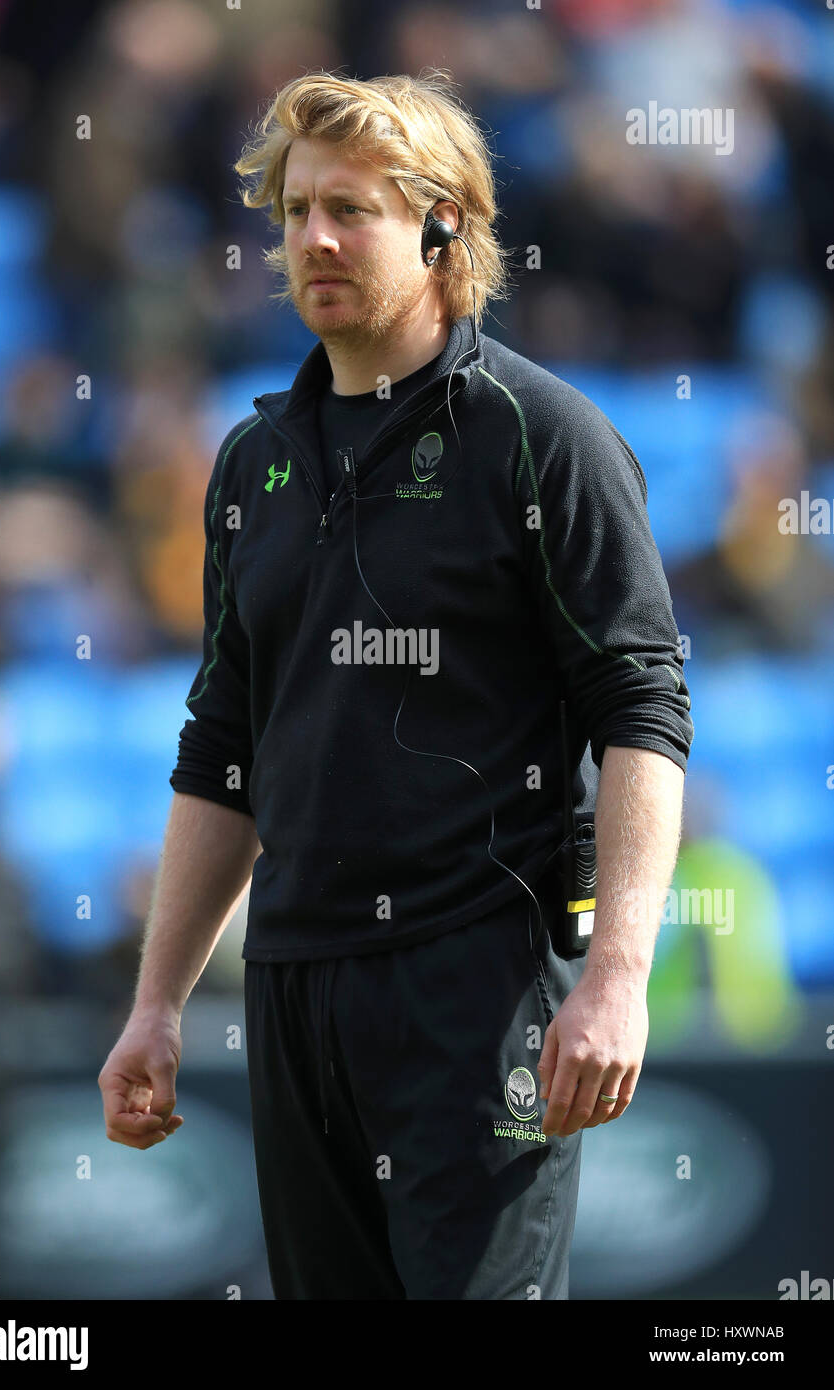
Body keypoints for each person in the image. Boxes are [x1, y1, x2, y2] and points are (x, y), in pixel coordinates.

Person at [98, 70, 694, 1300]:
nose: (313, 236)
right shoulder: (251, 463)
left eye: (352, 209)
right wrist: (156, 1003)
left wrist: (618, 978)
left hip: (480, 989)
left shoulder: (544, 436)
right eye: (296, 208)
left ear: (443, 229)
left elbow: (642, 710)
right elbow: (222, 750)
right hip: (293, 988)